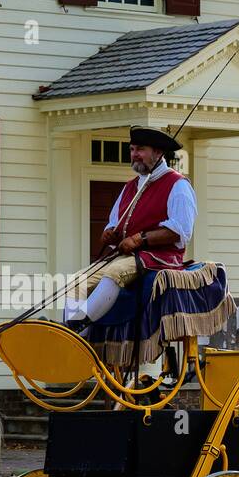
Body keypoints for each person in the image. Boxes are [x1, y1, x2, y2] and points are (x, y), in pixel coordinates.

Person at [63, 127, 197, 327]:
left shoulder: (177, 184)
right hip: (126, 256)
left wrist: (138, 239)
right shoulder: (130, 186)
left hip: (159, 258)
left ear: (158, 153)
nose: (134, 155)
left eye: (140, 149)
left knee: (114, 273)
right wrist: (110, 234)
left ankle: (76, 325)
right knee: (77, 281)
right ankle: (75, 338)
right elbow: (114, 222)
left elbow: (180, 230)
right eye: (132, 149)